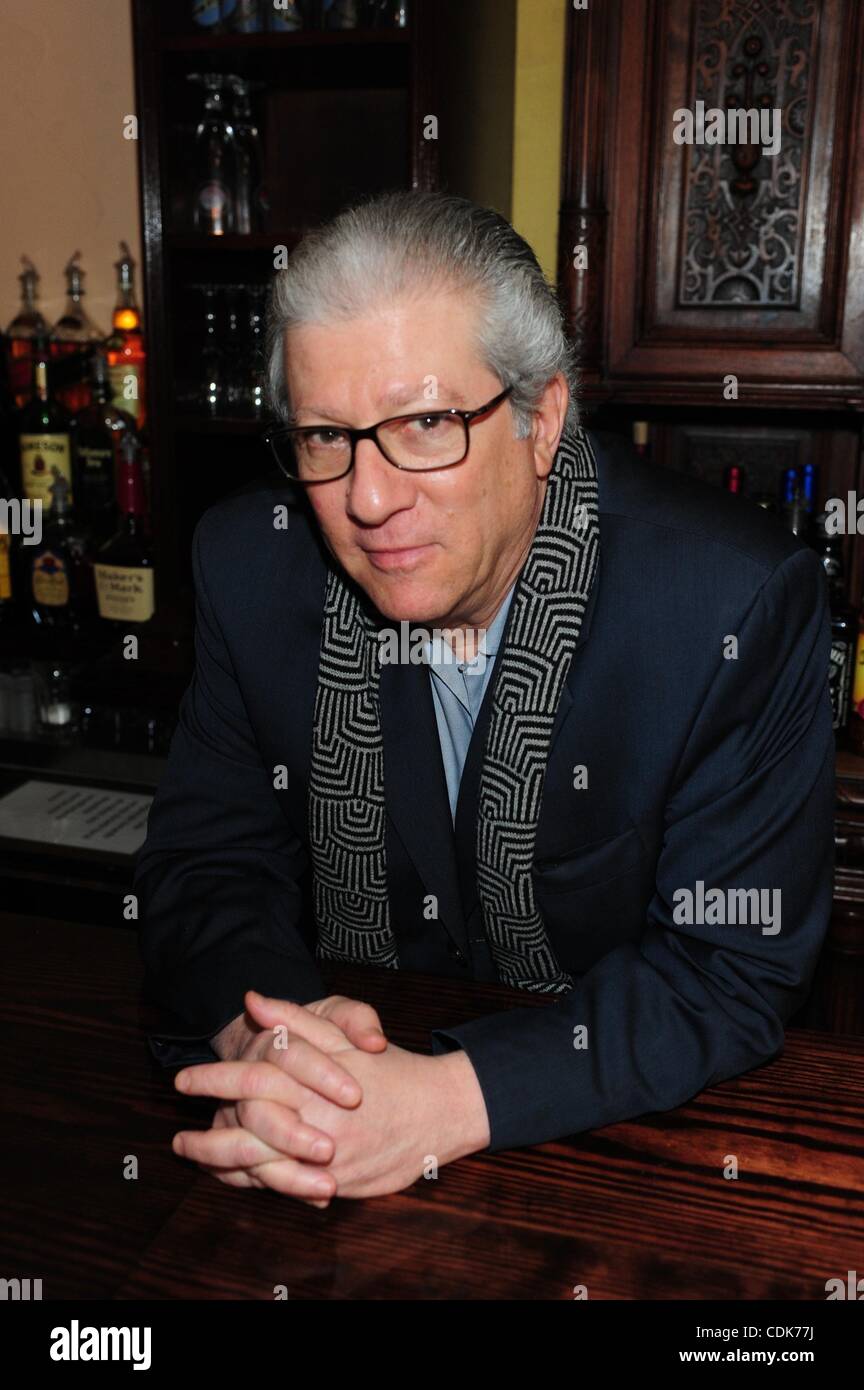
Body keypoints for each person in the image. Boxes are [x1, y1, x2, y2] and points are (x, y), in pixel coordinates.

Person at [136, 189, 834, 1207]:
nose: (369, 499)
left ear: (541, 418)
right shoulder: (249, 561)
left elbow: (731, 965)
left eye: (426, 424)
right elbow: (204, 866)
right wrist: (279, 1043)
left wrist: (444, 1102)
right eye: (326, 436)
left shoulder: (727, 604)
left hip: (623, 1166)